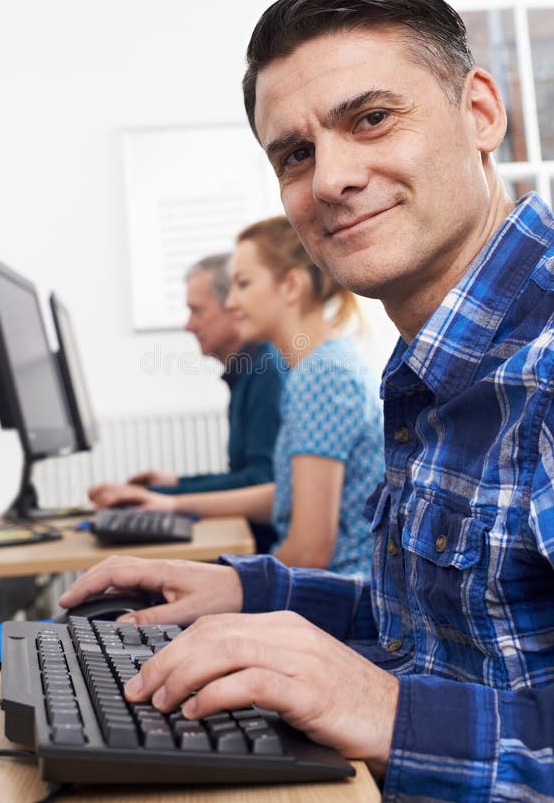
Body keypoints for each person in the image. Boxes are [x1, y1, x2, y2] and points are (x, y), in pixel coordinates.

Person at [60, 0, 554, 799]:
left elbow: (408, 681)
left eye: (370, 118)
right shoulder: (435, 360)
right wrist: (251, 590)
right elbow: (445, 632)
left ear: (479, 112)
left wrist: (386, 709)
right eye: (295, 154)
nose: (329, 180)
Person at [92, 216, 384, 575]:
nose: (230, 303)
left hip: (338, 599)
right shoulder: (320, 367)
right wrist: (171, 504)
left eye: (243, 284)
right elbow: (286, 494)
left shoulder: (322, 378)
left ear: (291, 286)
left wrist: (223, 582)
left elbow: (309, 554)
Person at [89, 254, 285, 551]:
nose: (188, 326)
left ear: (232, 307)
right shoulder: (248, 371)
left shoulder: (267, 370)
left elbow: (263, 479)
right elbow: (248, 477)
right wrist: (173, 483)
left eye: (197, 312)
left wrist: (163, 495)